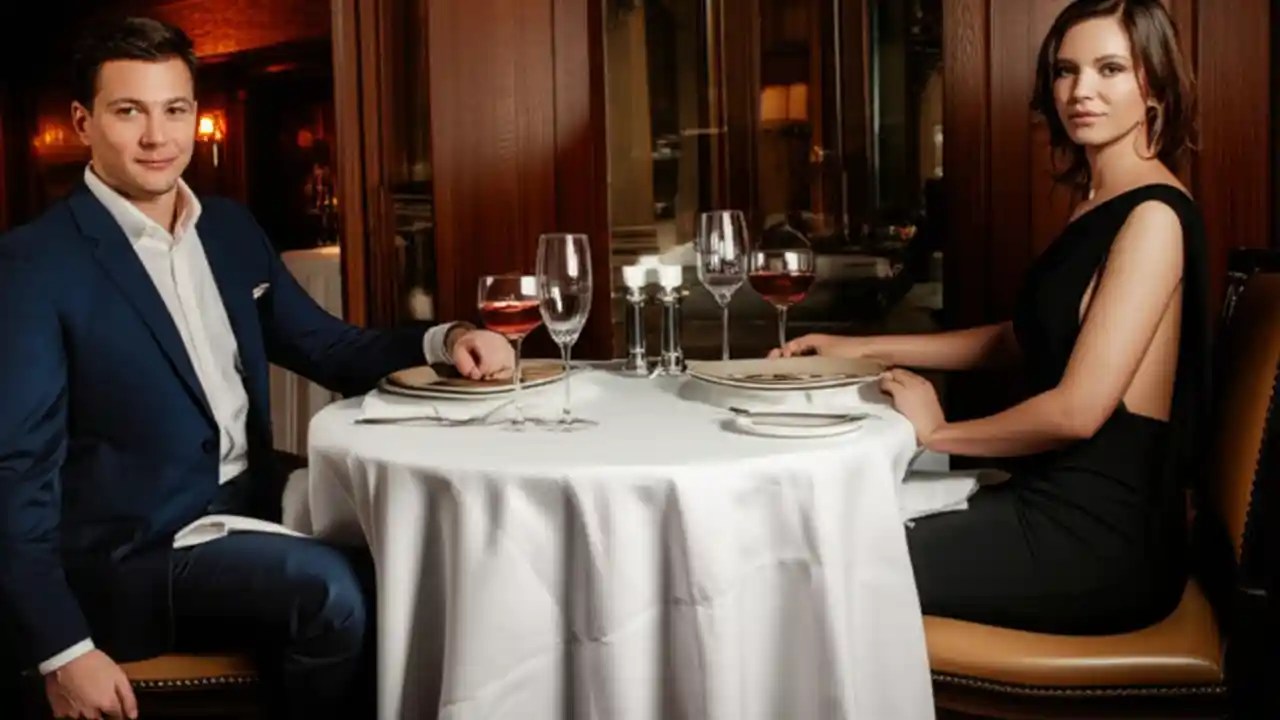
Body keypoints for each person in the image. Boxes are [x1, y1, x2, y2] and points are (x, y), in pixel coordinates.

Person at [0, 17, 515, 719]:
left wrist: (445, 339)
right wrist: (61, 649)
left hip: (255, 502)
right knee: (336, 594)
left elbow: (328, 348)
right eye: (129, 112)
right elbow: (15, 471)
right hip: (142, 550)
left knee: (440, 557)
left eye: (175, 109)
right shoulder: (34, 264)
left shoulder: (230, 229)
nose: (158, 137)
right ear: (84, 122)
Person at [773, 0, 1210, 634]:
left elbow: (1076, 411)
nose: (1081, 90)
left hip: (1097, 543)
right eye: (1066, 70)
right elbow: (1021, 339)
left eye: (1110, 69)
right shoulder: (1102, 201)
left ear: (1155, 86)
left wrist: (939, 432)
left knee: (811, 561)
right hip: (1052, 503)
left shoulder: (1153, 217)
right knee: (822, 521)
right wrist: (860, 348)